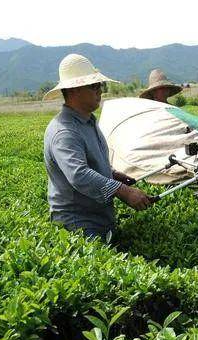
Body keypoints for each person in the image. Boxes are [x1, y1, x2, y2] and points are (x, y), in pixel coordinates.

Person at [43, 53, 152, 242]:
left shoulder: (87, 121)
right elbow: (78, 174)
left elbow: (90, 162)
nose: (100, 91)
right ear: (74, 90)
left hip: (99, 219)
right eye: (94, 86)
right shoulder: (65, 132)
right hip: (78, 226)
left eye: (100, 85)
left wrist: (112, 174)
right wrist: (122, 190)